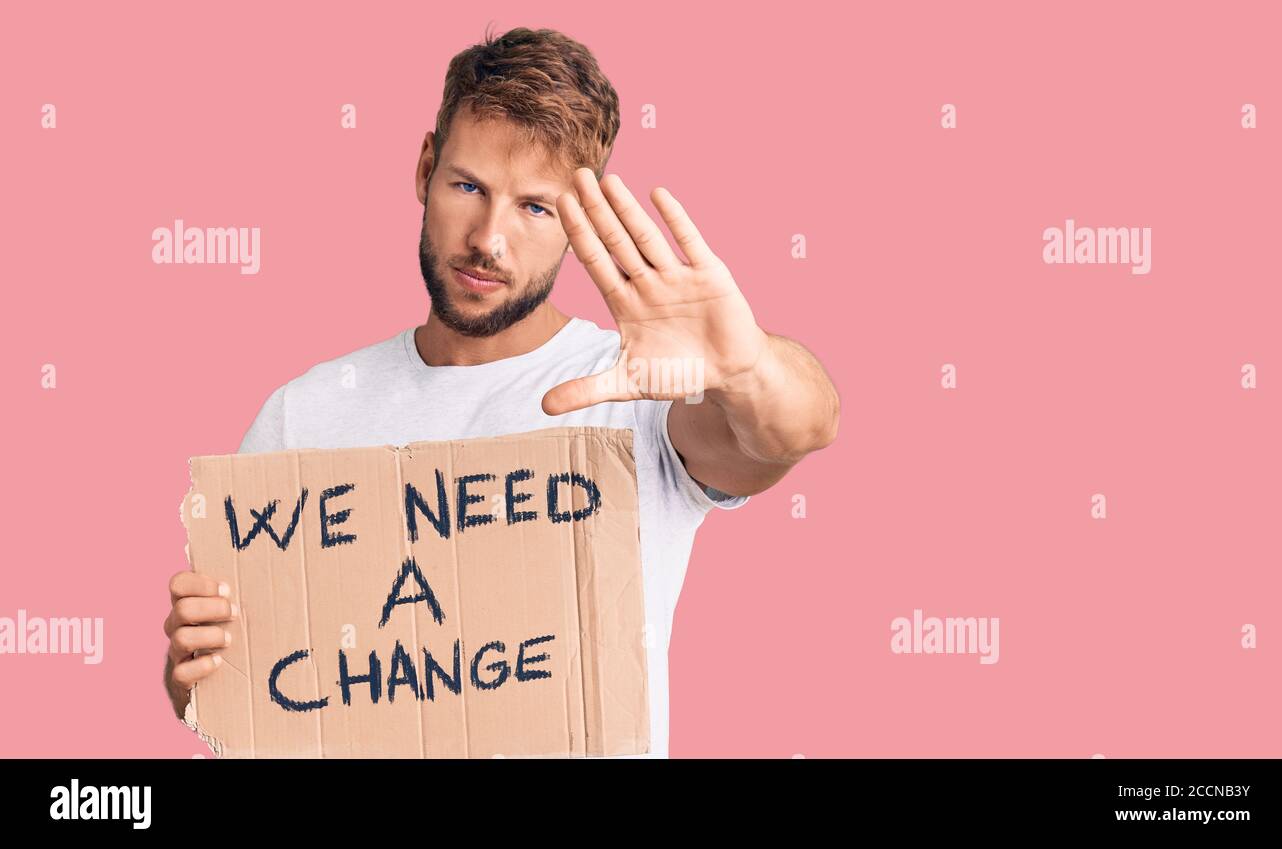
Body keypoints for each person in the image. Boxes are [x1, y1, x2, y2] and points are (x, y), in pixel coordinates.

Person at [162, 25, 839, 758]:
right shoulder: (304, 413)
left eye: (535, 207)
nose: (490, 238)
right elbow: (238, 697)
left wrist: (743, 370)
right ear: (425, 168)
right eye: (469, 187)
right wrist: (196, 672)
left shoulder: (635, 396)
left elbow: (793, 429)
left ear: (578, 225)